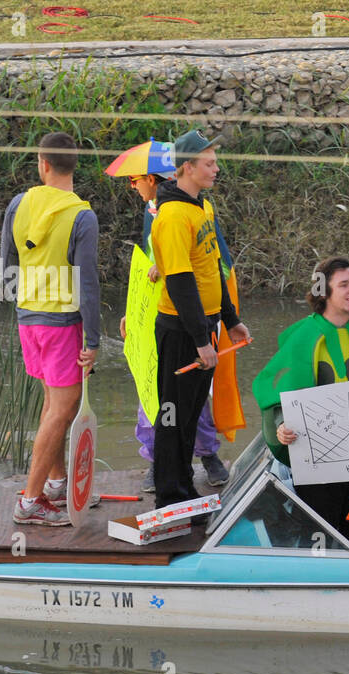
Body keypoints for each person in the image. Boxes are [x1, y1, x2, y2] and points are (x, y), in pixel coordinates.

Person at [253, 257, 349, 553]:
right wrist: (281, 426)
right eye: (344, 285)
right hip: (318, 457)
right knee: (320, 531)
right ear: (323, 291)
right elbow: (276, 390)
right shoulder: (302, 337)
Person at [111, 158, 230, 494]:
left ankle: (203, 459)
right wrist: (132, 314)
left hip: (189, 316)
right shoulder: (156, 213)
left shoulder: (186, 212)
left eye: (134, 181)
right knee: (154, 395)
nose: (133, 188)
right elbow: (146, 268)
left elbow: (208, 263)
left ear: (151, 178)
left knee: (190, 401)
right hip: (159, 313)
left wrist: (227, 319)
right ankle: (161, 467)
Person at [3, 131, 102, 527]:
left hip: (30, 319)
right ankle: (30, 502)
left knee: (53, 407)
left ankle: (58, 483)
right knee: (62, 410)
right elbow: (88, 284)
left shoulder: (17, 203)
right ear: (73, 165)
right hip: (63, 324)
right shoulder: (82, 216)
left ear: (42, 163)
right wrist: (92, 340)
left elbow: (6, 262)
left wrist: (24, 306)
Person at [150, 129, 250, 509]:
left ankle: (183, 487)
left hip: (205, 324)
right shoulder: (173, 215)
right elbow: (179, 282)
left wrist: (230, 318)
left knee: (190, 414)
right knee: (173, 414)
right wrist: (200, 341)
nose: (216, 169)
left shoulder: (199, 207)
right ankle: (169, 494)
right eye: (209, 164)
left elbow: (211, 268)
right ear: (187, 168)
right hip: (180, 331)